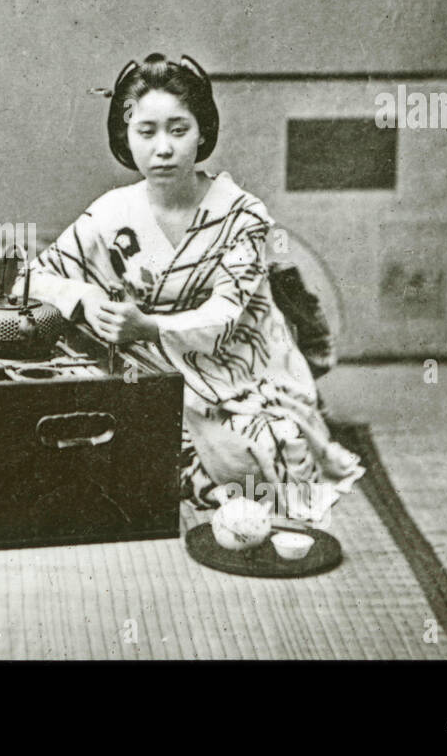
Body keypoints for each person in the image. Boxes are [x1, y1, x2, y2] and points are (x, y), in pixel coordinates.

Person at [23, 53, 364, 523]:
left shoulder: (241, 214)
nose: (163, 148)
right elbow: (37, 276)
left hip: (238, 363)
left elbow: (226, 315)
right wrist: (87, 299)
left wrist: (147, 325)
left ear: (203, 132)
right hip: (155, 364)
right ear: (126, 138)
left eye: (178, 129)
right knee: (114, 448)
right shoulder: (111, 213)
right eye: (147, 132)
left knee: (258, 453)